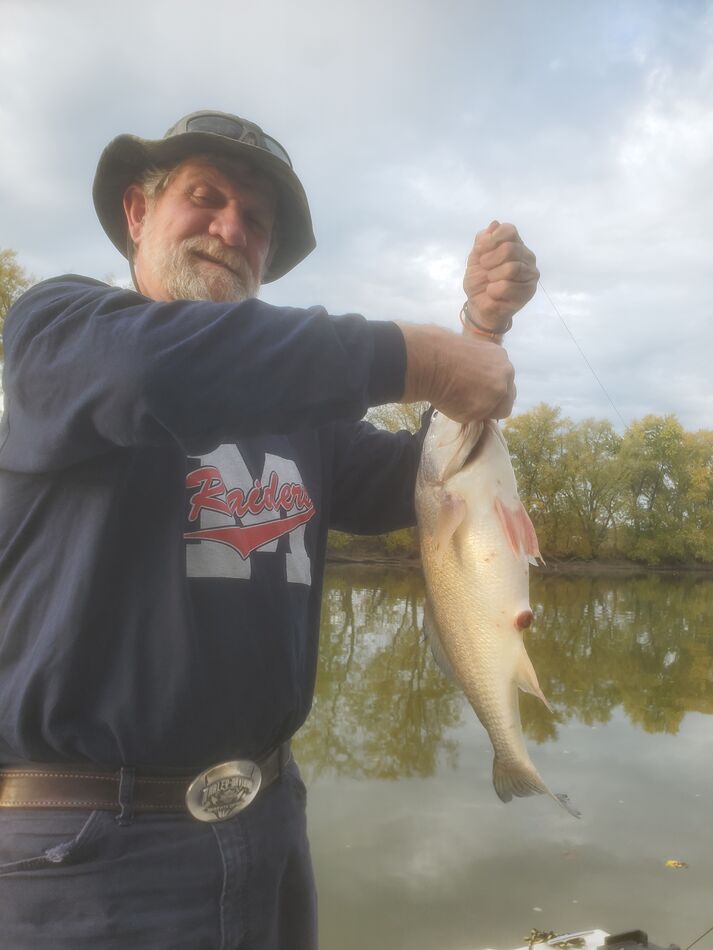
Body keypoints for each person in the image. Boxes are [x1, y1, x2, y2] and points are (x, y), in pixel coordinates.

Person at [0, 110, 539, 948]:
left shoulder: (305, 422)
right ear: (137, 216)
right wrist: (422, 355)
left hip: (267, 828)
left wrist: (478, 332)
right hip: (84, 851)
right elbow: (151, 368)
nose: (231, 228)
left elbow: (437, 482)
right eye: (205, 198)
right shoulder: (62, 330)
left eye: (255, 220)